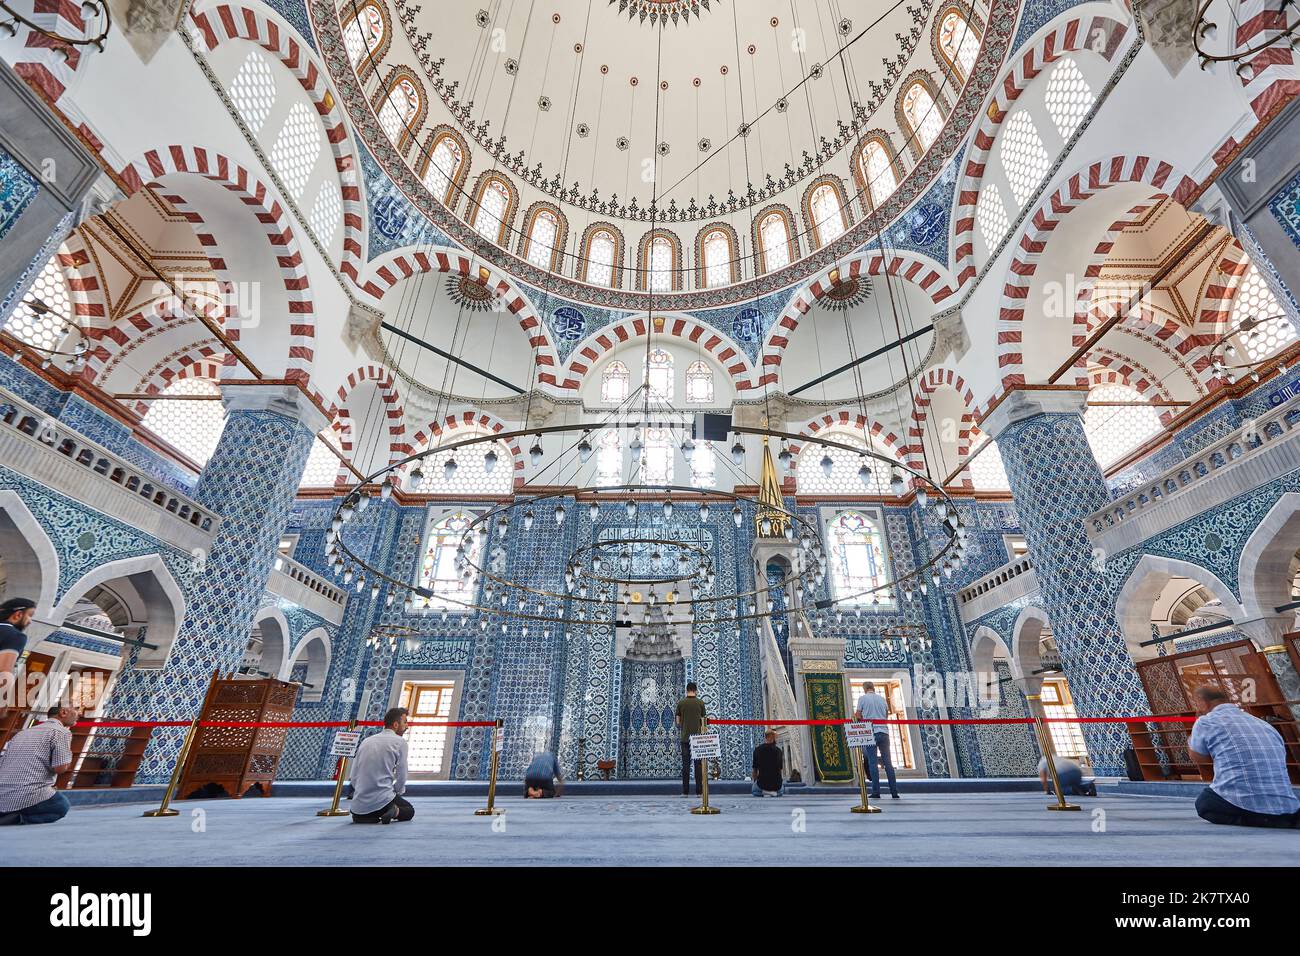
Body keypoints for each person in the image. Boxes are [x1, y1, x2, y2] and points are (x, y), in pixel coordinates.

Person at [1187, 686, 1300, 828]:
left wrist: (1194, 731)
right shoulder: (1264, 725)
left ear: (1202, 702)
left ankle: (1258, 819)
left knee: (1205, 803)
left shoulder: (1206, 721)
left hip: (1243, 802)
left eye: (1197, 704)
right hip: (1287, 806)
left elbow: (1198, 758)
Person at [0, 705, 78, 826]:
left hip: (2, 795)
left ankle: (6, 813)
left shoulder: (22, 733)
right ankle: (17, 818)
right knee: (61, 805)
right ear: (63, 712)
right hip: (27, 795)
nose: (79, 714)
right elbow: (61, 768)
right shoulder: (61, 732)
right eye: (76, 709)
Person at [349, 707, 414, 824]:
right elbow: (402, 774)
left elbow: (353, 776)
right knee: (409, 811)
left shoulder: (366, 741)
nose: (407, 726)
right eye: (405, 722)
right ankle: (394, 811)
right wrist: (397, 791)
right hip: (383, 799)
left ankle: (368, 815)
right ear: (395, 724)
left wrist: (360, 790)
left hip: (357, 807)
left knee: (367, 816)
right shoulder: (400, 742)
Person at [853, 682, 899, 799]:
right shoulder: (882, 699)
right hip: (884, 732)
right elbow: (885, 715)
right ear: (873, 688)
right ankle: (894, 792)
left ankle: (876, 792)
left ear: (864, 689)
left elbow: (858, 715)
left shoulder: (862, 698)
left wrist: (862, 718)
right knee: (888, 763)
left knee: (872, 763)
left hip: (870, 733)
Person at [0, 597, 37, 709]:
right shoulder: (14, 635)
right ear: (18, 615)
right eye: (30, 615)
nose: (30, 621)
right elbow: (4, 670)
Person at [674, 682, 707, 798]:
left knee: (686, 766)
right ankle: (699, 792)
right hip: (697, 738)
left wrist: (683, 724)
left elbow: (678, 721)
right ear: (696, 690)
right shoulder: (700, 703)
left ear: (686, 690)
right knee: (698, 765)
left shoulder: (681, 703)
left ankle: (685, 792)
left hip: (685, 738)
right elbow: (704, 721)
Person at [751, 728, 785, 797]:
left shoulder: (757, 750)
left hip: (762, 785)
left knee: (754, 791)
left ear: (766, 737)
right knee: (780, 792)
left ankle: (764, 792)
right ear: (772, 737)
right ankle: (773, 793)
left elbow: (755, 770)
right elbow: (780, 770)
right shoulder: (779, 751)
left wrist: (755, 782)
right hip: (776, 786)